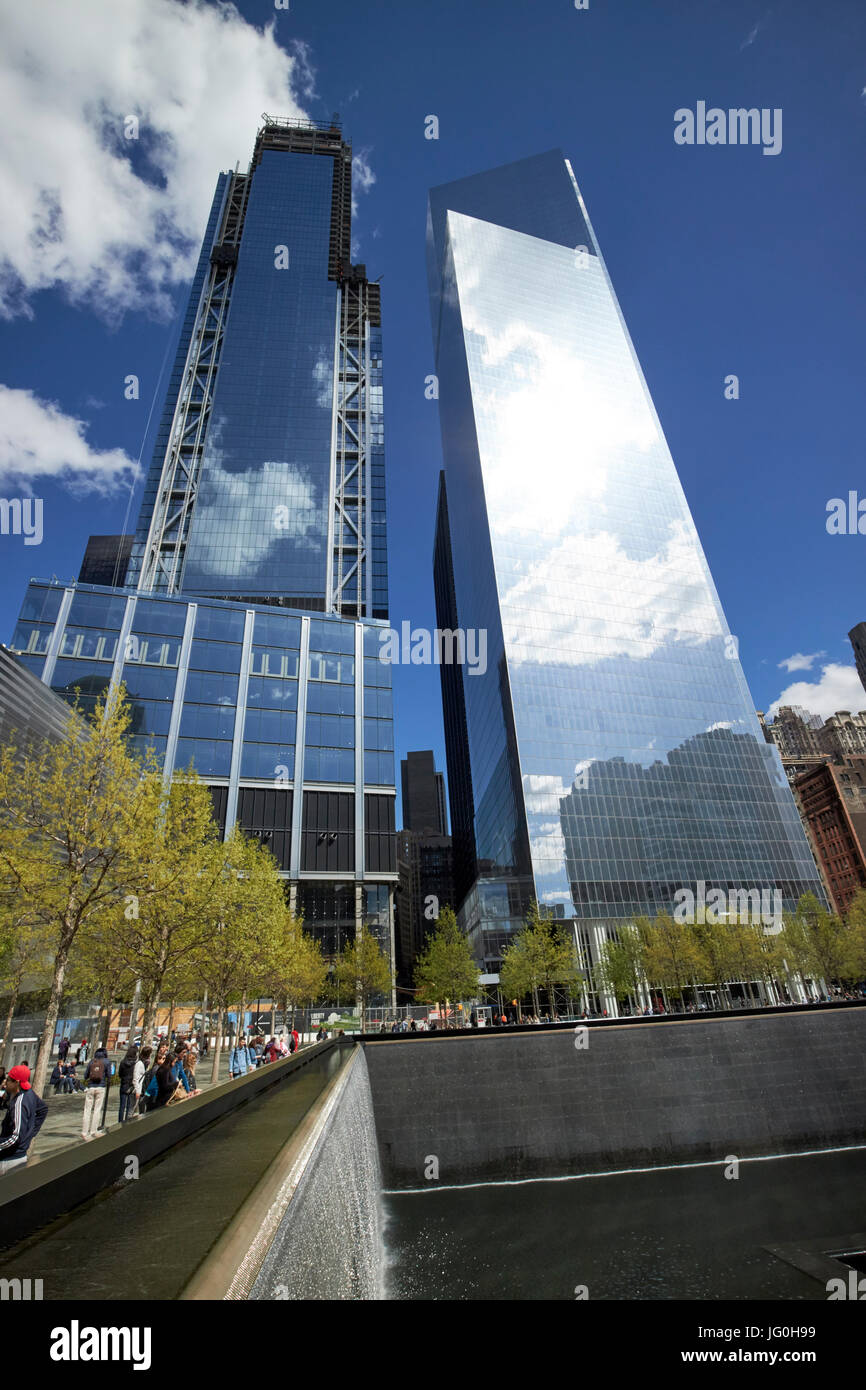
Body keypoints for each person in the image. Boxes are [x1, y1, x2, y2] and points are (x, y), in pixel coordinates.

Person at [0, 1064, 48, 1175]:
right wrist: (30, 1133)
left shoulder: (19, 1104)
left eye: (8, 1080)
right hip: (19, 1156)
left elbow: (16, 1137)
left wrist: (30, 1133)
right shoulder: (29, 1093)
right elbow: (43, 1110)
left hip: (10, 1160)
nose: (5, 1082)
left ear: (16, 1082)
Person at [81, 1045, 112, 1139]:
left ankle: (84, 1132)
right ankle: (93, 1131)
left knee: (87, 1110)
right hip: (101, 1088)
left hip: (90, 1087)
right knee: (97, 1110)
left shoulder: (92, 1061)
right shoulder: (107, 1062)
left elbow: (85, 1076)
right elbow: (109, 1075)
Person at [117, 1045, 139, 1123]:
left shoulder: (123, 1062)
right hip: (131, 1085)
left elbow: (120, 1074)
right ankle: (127, 1120)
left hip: (124, 1084)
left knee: (122, 1106)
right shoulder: (135, 1064)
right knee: (129, 1105)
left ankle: (120, 1121)